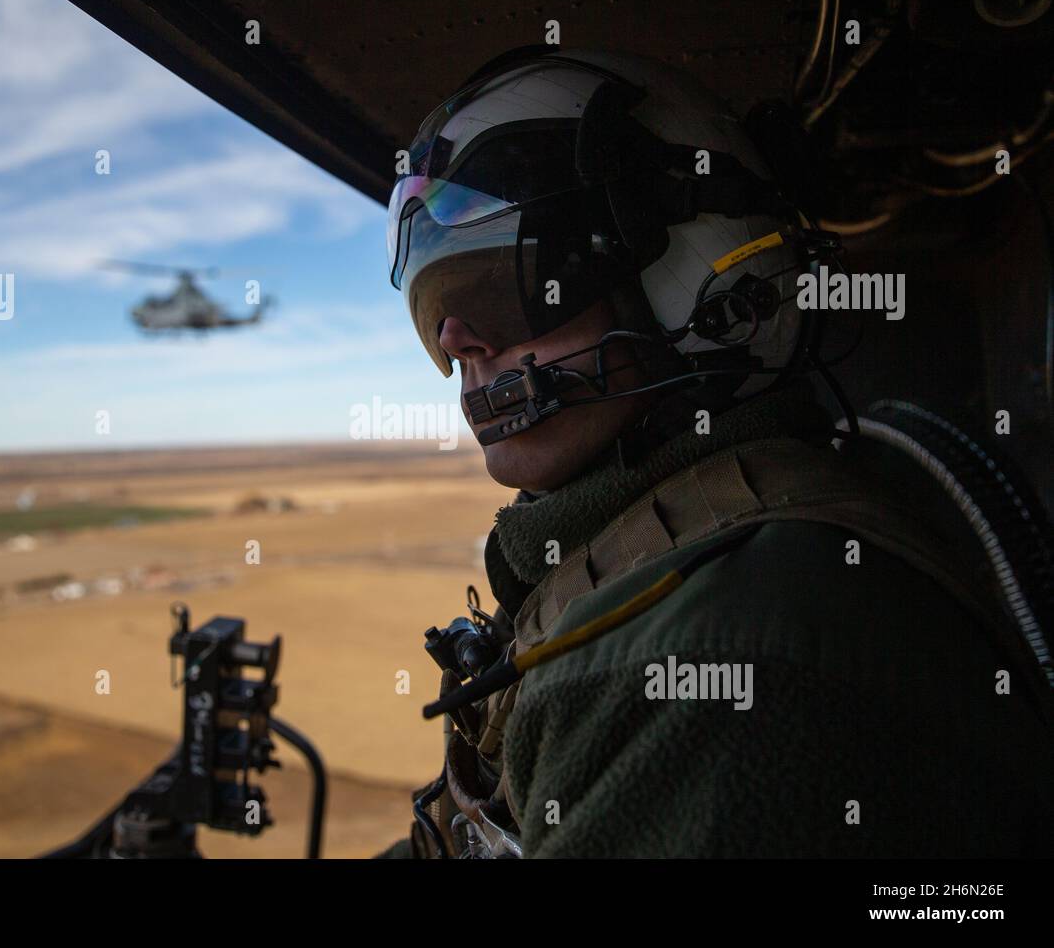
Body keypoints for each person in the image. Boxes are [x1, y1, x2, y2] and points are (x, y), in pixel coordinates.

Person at [377, 47, 1054, 858]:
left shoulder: (710, 658)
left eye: (500, 289)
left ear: (692, 272)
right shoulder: (639, 572)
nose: (460, 344)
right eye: (437, 309)